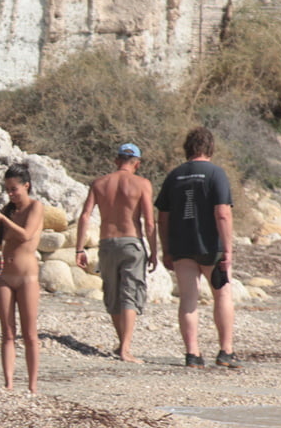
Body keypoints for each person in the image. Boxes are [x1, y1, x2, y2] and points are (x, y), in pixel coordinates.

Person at [155, 127, 239, 369]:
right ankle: (226, 351)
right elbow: (222, 213)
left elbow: (163, 216)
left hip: (182, 246)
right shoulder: (216, 174)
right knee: (222, 295)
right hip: (211, 247)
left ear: (187, 148)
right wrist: (227, 249)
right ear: (210, 148)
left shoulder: (174, 176)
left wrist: (166, 249)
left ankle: (193, 354)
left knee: (188, 300)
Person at [75, 143, 158, 363]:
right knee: (129, 293)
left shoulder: (99, 183)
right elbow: (149, 222)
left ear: (116, 160)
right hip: (131, 242)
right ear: (137, 164)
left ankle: (122, 343)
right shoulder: (142, 184)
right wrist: (155, 251)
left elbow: (84, 216)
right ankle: (126, 349)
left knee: (112, 293)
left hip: (107, 242)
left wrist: (80, 248)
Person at [0, 164, 45, 393]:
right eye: (7, 189)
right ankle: (8, 383)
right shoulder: (8, 210)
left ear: (26, 186)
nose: (10, 194)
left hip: (27, 277)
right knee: (7, 332)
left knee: (29, 334)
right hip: (4, 276)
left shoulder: (36, 207)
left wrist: (3, 219)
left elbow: (26, 234)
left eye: (14, 189)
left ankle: (32, 385)